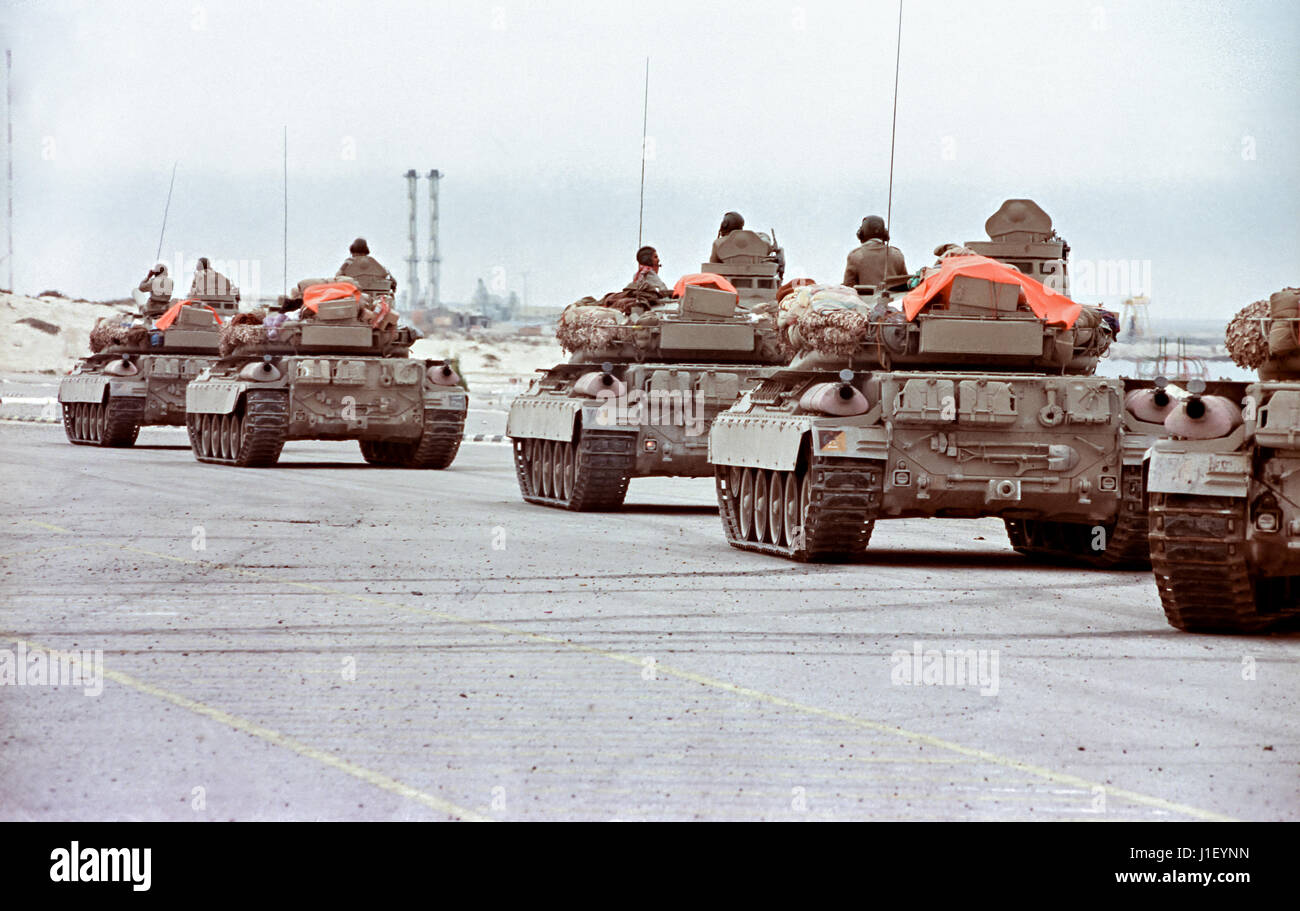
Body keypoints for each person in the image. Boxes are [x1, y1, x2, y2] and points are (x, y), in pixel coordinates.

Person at [709, 210, 785, 280]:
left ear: (725, 224)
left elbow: (713, 266)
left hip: (726, 285)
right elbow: (767, 243)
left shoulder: (718, 244)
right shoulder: (760, 243)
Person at [843, 215, 907, 288]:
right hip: (893, 299)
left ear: (861, 234)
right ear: (885, 234)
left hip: (865, 299)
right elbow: (905, 285)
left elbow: (848, 289)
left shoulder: (855, 256)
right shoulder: (897, 254)